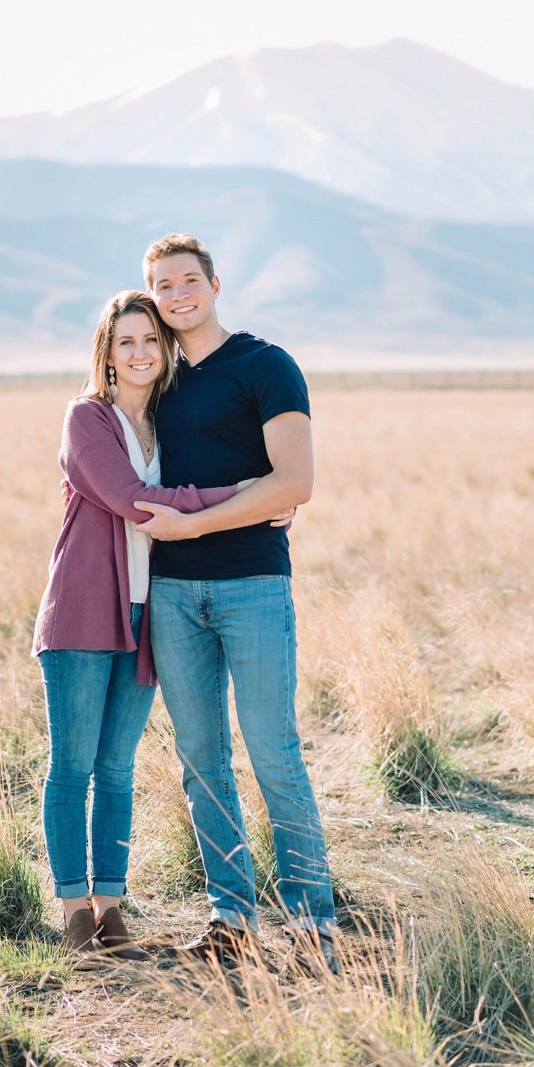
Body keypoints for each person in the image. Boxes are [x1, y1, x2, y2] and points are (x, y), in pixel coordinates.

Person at [33, 288, 263, 965]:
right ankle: (74, 910)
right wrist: (250, 497)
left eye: (148, 341)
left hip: (145, 614)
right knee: (72, 768)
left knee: (118, 767)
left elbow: (181, 494)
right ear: (106, 353)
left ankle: (112, 908)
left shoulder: (168, 426)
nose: (138, 352)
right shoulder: (88, 420)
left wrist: (249, 498)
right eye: (124, 341)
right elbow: (139, 502)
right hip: (82, 611)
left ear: (165, 352)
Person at [132, 233, 337, 970]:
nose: (177, 295)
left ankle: (315, 921)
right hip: (173, 592)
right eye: (163, 285)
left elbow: (294, 482)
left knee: (274, 751)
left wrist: (196, 522)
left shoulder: (266, 366)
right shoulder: (152, 380)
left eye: (188, 280)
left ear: (216, 285)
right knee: (201, 760)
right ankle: (232, 920)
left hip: (252, 583)